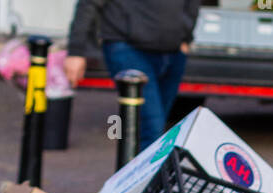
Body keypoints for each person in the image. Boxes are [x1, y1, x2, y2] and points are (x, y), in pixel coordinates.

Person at [64, 0, 203, 149]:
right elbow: (89, 3)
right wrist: (76, 51)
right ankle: (147, 171)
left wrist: (185, 38)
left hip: (173, 52)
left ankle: (138, 169)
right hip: (127, 48)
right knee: (152, 128)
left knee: (156, 125)